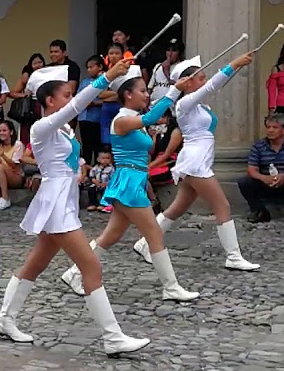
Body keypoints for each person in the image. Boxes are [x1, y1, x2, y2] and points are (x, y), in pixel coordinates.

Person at [0, 58, 150, 354]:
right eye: (65, 95)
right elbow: (76, 107)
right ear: (49, 100)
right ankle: (112, 336)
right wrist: (105, 79)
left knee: (35, 264)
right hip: (56, 204)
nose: (71, 99)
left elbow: (71, 122)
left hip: (63, 199)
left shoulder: (63, 129)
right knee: (90, 266)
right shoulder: (41, 128)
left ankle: (4, 319)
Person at [61, 63, 198, 301]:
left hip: (134, 179)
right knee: (154, 233)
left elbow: (150, 122)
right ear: (128, 94)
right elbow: (153, 116)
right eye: (143, 90)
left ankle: (74, 272)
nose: (147, 94)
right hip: (128, 181)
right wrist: (174, 90)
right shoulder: (122, 120)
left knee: (111, 236)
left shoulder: (133, 118)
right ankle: (171, 286)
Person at [128, 52, 260, 272]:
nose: (205, 81)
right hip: (195, 162)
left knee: (176, 208)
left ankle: (144, 242)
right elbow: (212, 86)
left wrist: (235, 68)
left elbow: (213, 87)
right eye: (200, 78)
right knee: (222, 206)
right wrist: (233, 64)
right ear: (187, 84)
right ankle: (233, 256)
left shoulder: (199, 107)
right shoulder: (185, 104)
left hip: (197, 161)